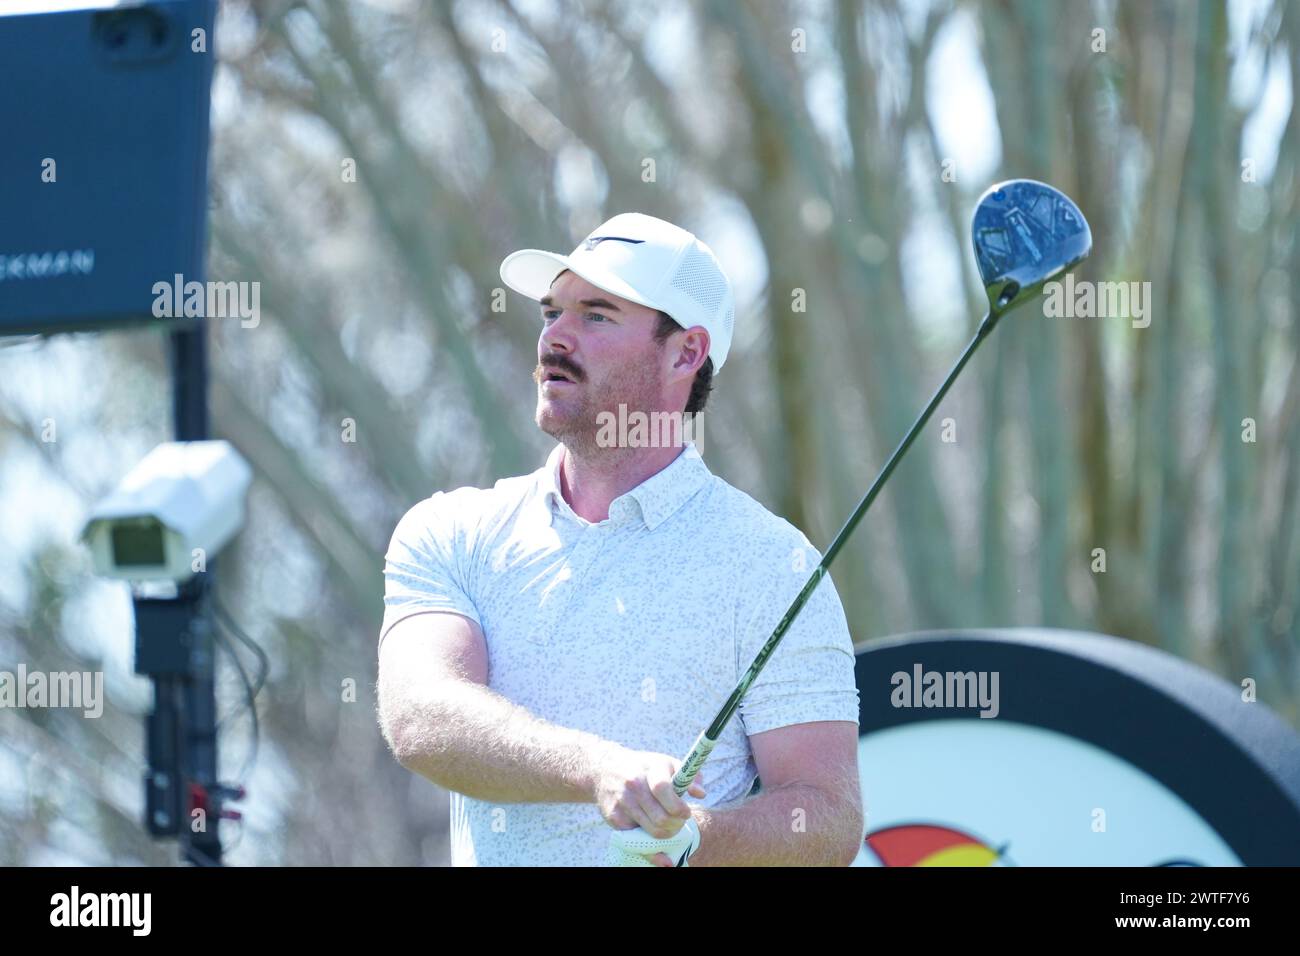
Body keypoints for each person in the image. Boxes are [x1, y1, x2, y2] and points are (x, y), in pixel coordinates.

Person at [377, 212, 863, 866]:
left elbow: (826, 818)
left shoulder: (775, 566)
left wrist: (694, 836)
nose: (555, 337)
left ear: (685, 353)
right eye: (553, 312)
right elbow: (420, 716)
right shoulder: (452, 532)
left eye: (597, 316)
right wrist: (600, 768)